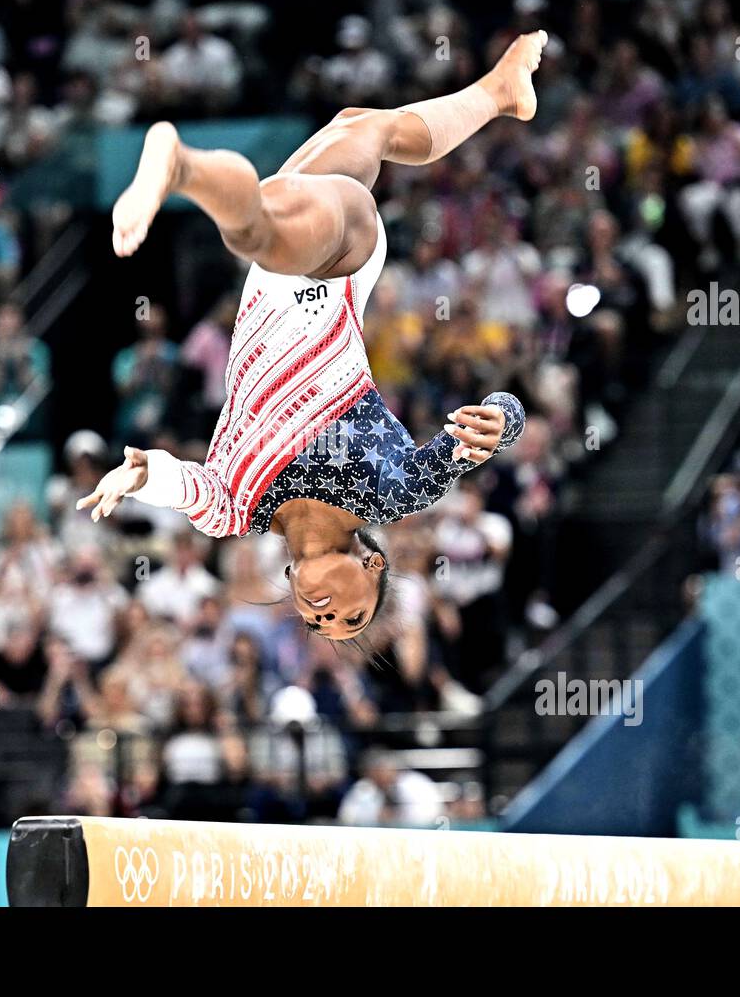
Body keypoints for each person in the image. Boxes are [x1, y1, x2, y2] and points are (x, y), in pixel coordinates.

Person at [79, 32, 550, 642]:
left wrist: (137, 475)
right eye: (352, 617)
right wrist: (502, 420)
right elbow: (483, 431)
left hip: (297, 262)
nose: (325, 614)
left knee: (363, 127)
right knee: (257, 232)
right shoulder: (389, 492)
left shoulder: (237, 508)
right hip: (338, 266)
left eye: (317, 623)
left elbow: (177, 483)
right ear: (373, 564)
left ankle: (498, 93)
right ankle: (181, 166)